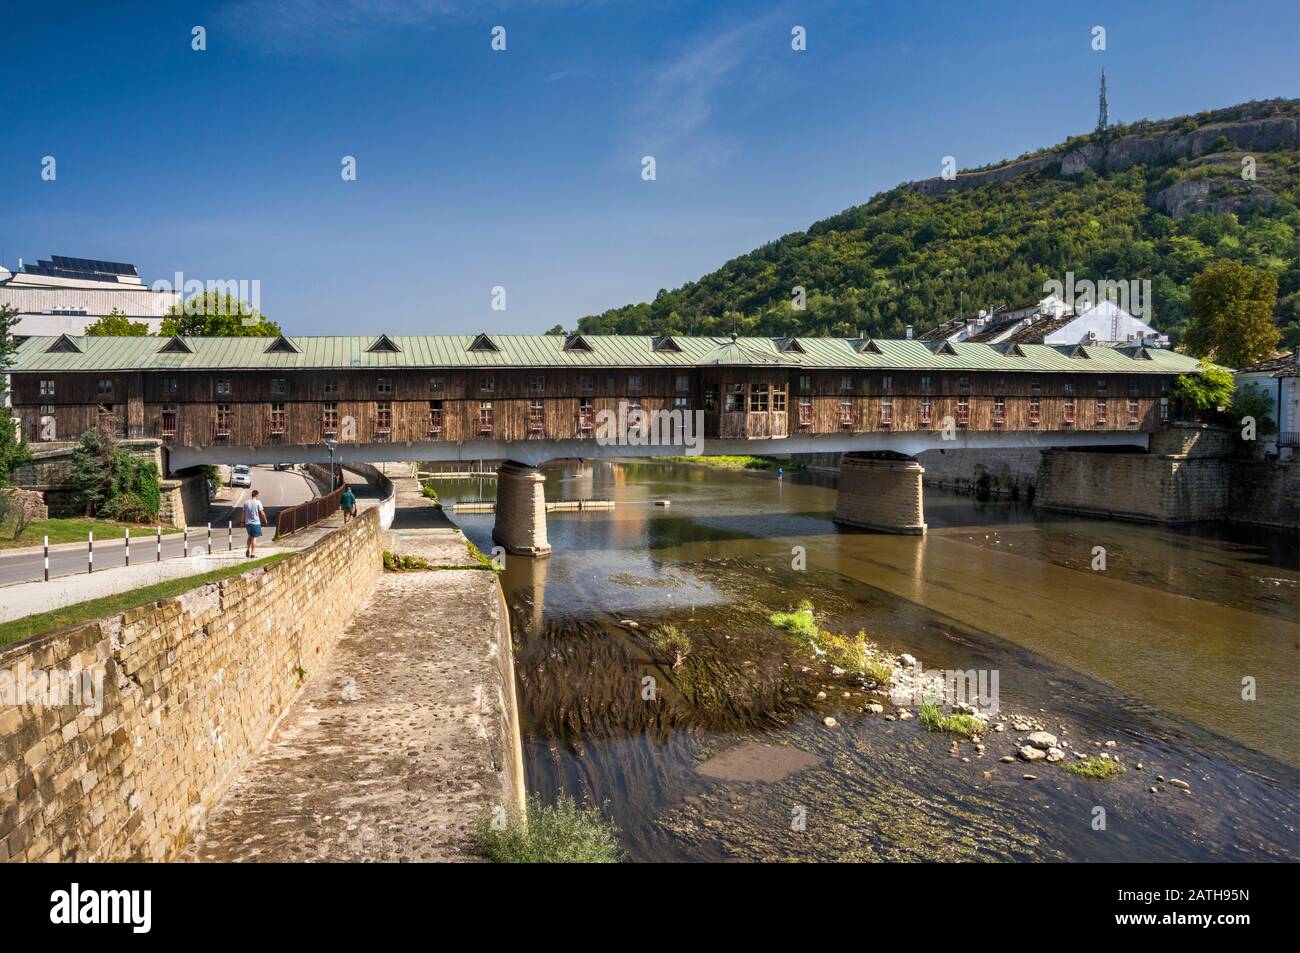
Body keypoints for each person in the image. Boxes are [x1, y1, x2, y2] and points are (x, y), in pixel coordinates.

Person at [243, 489, 267, 558]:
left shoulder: (246, 502)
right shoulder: (258, 502)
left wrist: (242, 522)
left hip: (247, 523)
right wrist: (265, 520)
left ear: (252, 495)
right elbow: (262, 513)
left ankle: (247, 549)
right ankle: (253, 554)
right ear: (257, 495)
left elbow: (243, 512)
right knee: (254, 538)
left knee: (250, 536)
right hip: (255, 523)